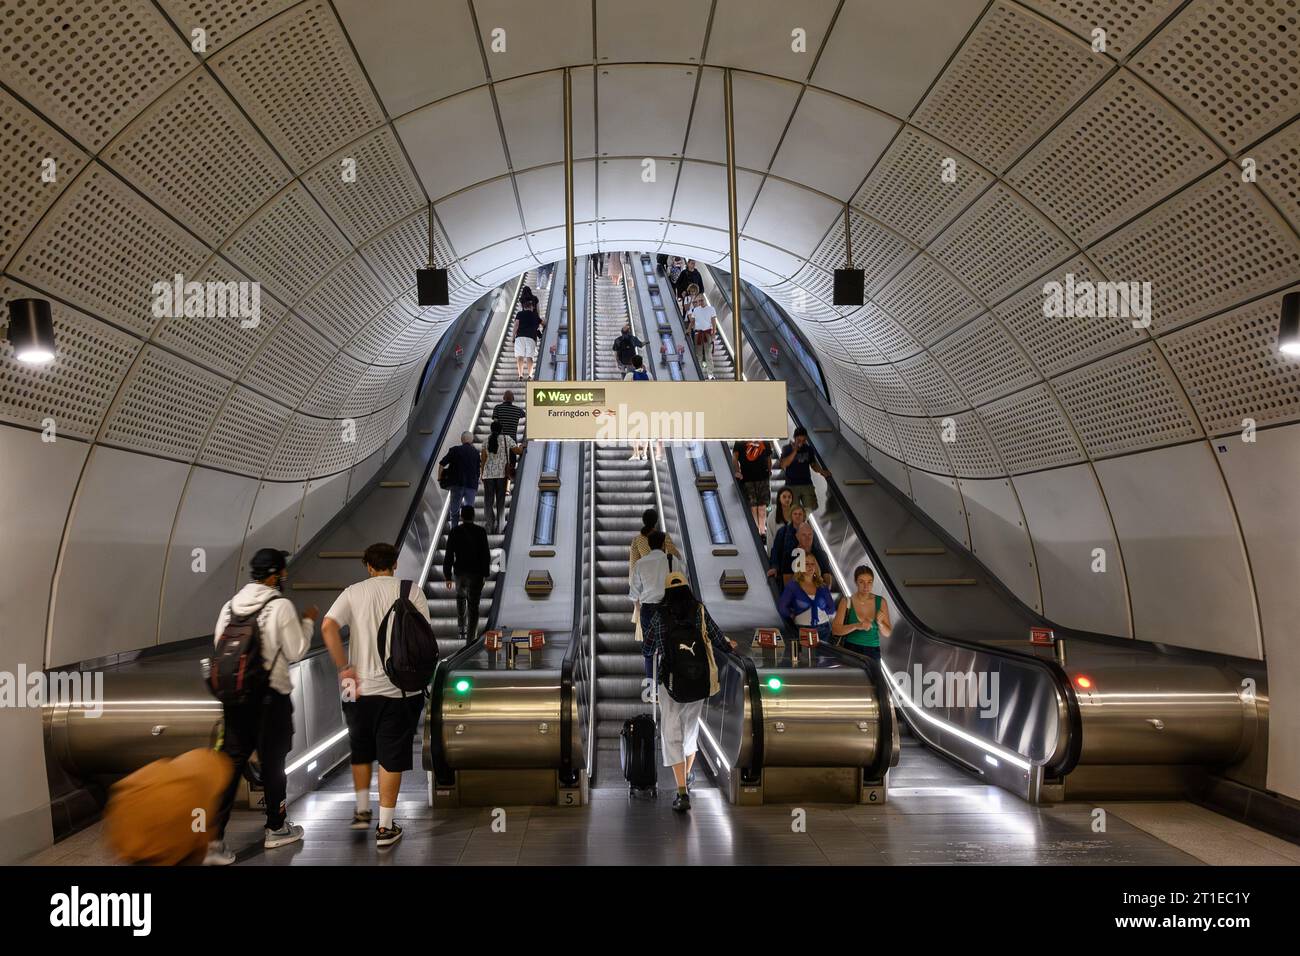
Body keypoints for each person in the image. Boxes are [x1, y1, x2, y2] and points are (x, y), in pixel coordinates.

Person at [206, 548, 316, 865]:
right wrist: (307, 622)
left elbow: (219, 648)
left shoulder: (229, 607)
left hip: (235, 701)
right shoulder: (279, 605)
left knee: (230, 767)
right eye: (282, 572)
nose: (284, 576)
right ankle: (276, 827)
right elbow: (296, 650)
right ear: (275, 574)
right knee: (272, 765)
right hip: (270, 700)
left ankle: (214, 842)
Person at [321, 543, 431, 847]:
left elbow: (328, 626)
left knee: (361, 748)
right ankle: (385, 828)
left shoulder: (353, 592)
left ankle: (361, 809)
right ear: (395, 564)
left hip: (356, 688)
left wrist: (344, 667)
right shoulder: (412, 591)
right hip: (399, 689)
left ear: (368, 566)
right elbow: (424, 638)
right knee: (391, 757)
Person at [644, 572, 736, 811]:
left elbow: (647, 647)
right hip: (698, 681)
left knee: (671, 732)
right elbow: (715, 637)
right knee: (690, 729)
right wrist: (729, 647)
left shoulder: (659, 615)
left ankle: (681, 791)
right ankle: (685, 777)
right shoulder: (699, 610)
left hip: (671, 683)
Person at [628, 529, 676, 680]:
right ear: (663, 544)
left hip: (648, 609)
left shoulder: (640, 564)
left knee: (648, 650)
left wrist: (637, 606)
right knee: (668, 646)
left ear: (648, 544)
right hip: (669, 609)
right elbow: (683, 582)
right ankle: (666, 683)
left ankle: (651, 685)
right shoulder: (673, 561)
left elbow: (634, 593)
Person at [443, 505, 491, 641]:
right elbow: (486, 555)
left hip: (460, 573)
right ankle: (471, 640)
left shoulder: (454, 532)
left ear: (461, 517)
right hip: (476, 574)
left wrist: (447, 576)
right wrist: (485, 574)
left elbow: (449, 555)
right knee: (474, 606)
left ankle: (461, 628)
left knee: (460, 597)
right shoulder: (481, 531)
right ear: (474, 516)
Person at [833, 565, 891, 662]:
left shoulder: (881, 602)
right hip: (851, 650)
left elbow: (887, 633)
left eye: (869, 582)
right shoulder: (847, 601)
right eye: (861, 582)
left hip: (873, 652)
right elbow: (835, 630)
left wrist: (881, 623)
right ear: (856, 582)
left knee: (873, 678)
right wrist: (856, 626)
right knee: (851, 677)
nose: (866, 586)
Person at [778, 556, 836, 644]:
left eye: (812, 564)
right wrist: (792, 615)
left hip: (824, 628)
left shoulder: (822, 586)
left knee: (823, 657)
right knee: (805, 656)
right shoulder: (793, 586)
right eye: (806, 563)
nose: (810, 566)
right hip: (802, 628)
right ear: (799, 566)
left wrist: (821, 612)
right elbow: (782, 607)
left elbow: (831, 608)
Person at [779, 426, 831, 514]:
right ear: (794, 438)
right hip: (791, 485)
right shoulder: (786, 448)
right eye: (799, 441)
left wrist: (822, 472)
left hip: (806, 484)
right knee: (793, 511)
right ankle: (797, 526)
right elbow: (784, 464)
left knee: (810, 508)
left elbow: (813, 464)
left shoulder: (809, 449)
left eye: (804, 441)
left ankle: (802, 525)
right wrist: (795, 451)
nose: (801, 444)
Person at [770, 509, 829, 585]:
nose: (808, 538)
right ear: (797, 536)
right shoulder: (789, 554)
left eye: (810, 535)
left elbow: (826, 580)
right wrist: (774, 567)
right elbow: (776, 550)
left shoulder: (820, 554)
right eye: (795, 514)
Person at [480, 420, 517, 534]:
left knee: (488, 501)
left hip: (488, 475)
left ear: (491, 429)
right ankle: (501, 526)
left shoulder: (486, 440)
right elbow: (517, 450)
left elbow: (483, 459)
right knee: (501, 502)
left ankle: (489, 526)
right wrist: (523, 446)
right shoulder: (507, 439)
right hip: (501, 475)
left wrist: (482, 474)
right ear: (501, 429)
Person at [732, 439, 773, 537]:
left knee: (762, 505)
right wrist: (737, 471)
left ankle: (762, 530)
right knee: (753, 506)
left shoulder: (764, 440)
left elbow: (768, 457)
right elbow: (735, 457)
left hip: (763, 477)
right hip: (747, 478)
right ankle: (756, 530)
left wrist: (769, 470)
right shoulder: (740, 441)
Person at [439, 431, 479, 529]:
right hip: (471, 485)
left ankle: (454, 531)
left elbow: (442, 464)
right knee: (469, 511)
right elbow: (478, 470)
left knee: (454, 511)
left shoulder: (455, 450)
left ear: (462, 439)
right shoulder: (476, 453)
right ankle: (468, 532)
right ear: (472, 440)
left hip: (456, 484)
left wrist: (440, 477)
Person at [629, 507, 681, 579]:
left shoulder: (637, 540)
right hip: (663, 574)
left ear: (644, 521)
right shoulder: (663, 536)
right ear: (656, 521)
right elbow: (676, 556)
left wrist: (632, 584)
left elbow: (633, 566)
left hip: (646, 577)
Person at [624, 355, 652, 459]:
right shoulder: (649, 375)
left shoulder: (629, 376)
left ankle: (636, 454)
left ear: (632, 364)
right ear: (642, 363)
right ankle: (644, 453)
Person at [513, 294, 544, 381]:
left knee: (520, 357)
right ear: (531, 307)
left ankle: (520, 375)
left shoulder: (519, 314)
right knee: (529, 357)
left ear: (524, 307)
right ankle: (530, 376)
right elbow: (543, 323)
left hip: (520, 337)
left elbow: (516, 325)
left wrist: (513, 337)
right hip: (531, 338)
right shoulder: (534, 316)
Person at [686, 293, 718, 378]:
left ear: (705, 299)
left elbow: (714, 322)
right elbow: (692, 321)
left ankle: (710, 374)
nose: (700, 302)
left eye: (701, 300)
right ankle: (699, 373)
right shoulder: (696, 310)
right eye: (698, 300)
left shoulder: (711, 309)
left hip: (707, 333)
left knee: (708, 354)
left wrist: (714, 333)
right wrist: (688, 329)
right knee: (698, 354)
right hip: (698, 333)